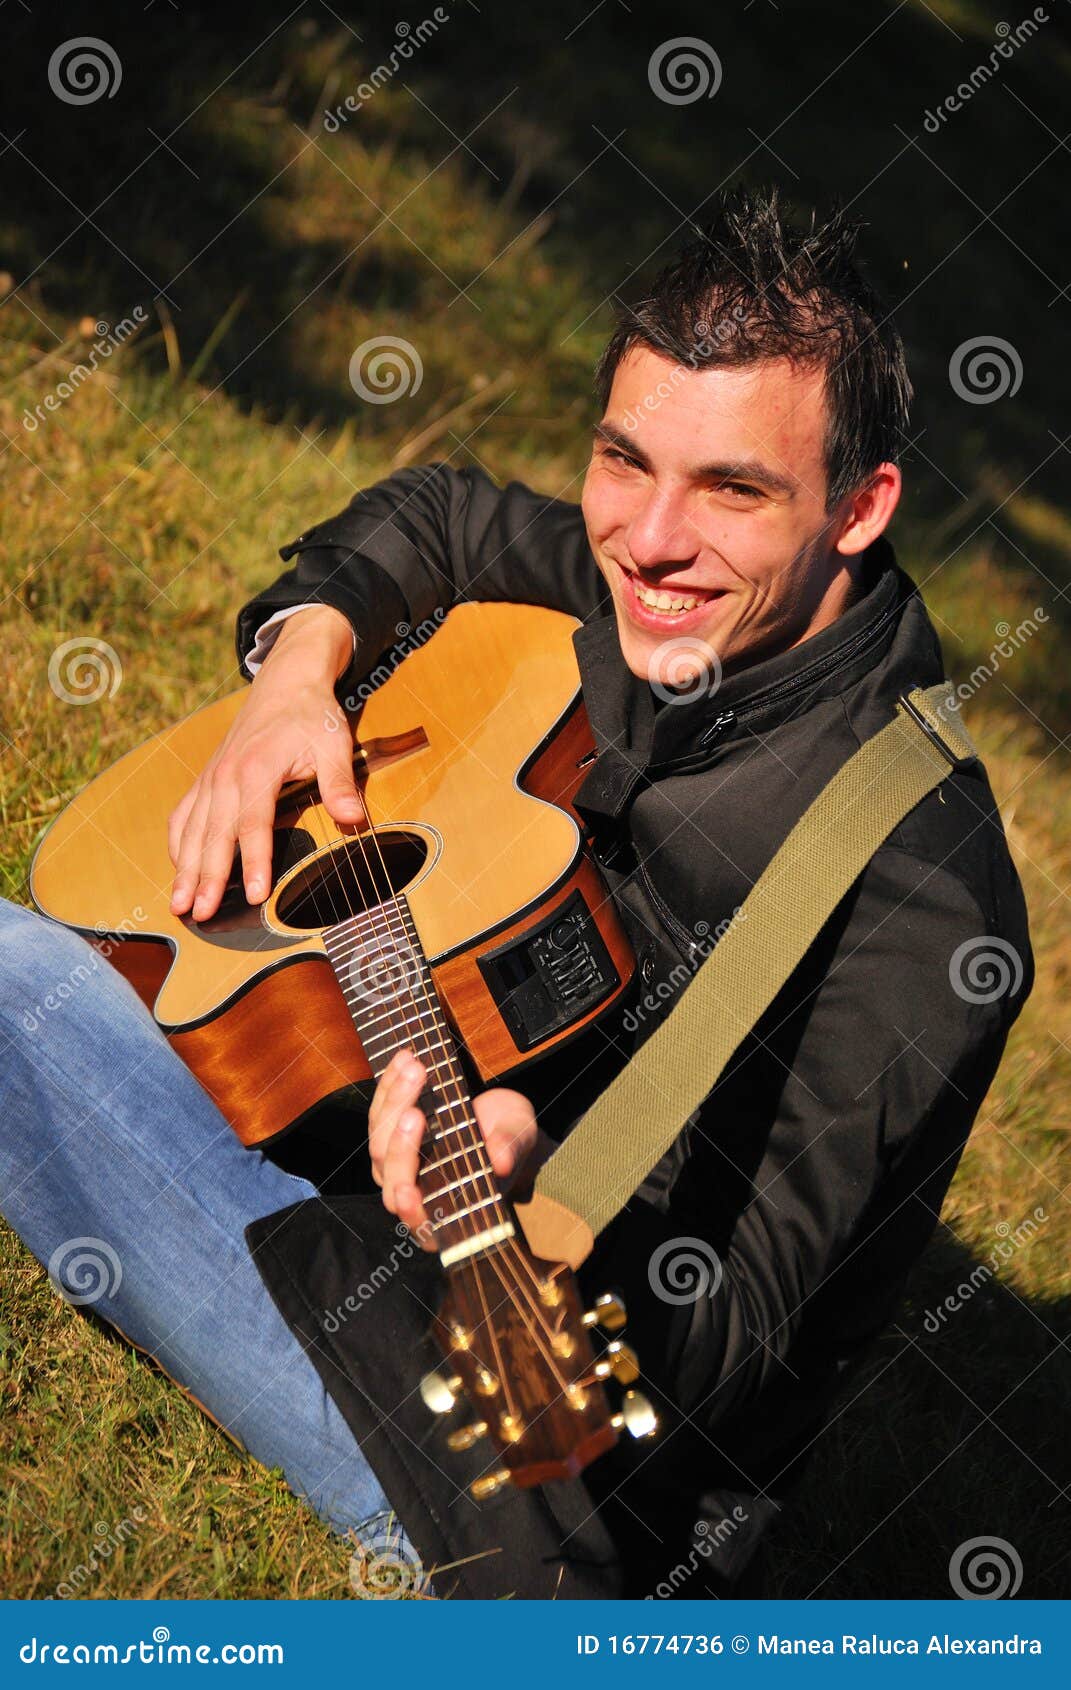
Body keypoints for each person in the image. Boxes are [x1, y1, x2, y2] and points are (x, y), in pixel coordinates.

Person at [0, 187, 1032, 1598]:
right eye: (623, 461)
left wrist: (547, 1194)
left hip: (514, 1437)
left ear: (862, 506)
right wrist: (295, 679)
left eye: (734, 488)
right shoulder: (659, 585)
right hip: (372, 1161)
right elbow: (438, 513)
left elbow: (731, 1335)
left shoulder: (924, 896)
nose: (648, 540)